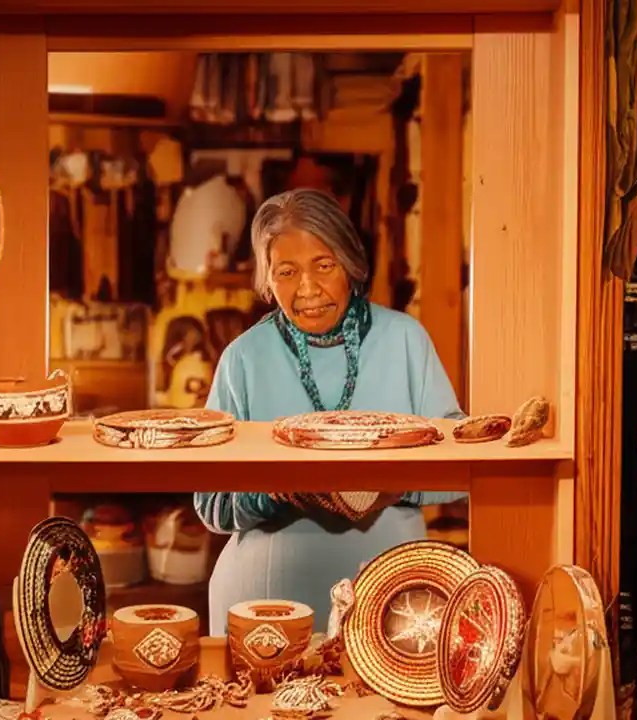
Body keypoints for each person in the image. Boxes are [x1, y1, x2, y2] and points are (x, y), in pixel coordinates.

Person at [194, 188, 466, 635]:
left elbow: (458, 472)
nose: (307, 289)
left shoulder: (405, 340)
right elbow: (210, 503)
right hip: (264, 603)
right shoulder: (243, 358)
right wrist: (276, 493)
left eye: (324, 265)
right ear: (268, 280)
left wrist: (390, 485)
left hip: (394, 600)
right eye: (286, 272)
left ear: (351, 265)